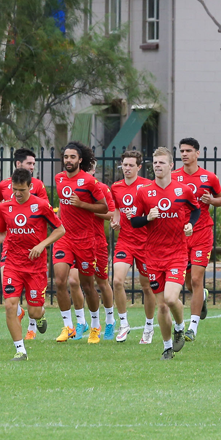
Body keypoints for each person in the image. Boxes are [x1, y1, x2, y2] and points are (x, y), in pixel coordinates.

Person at [0, 168, 65, 360]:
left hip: (35, 267)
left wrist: (42, 244)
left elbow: (60, 229)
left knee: (34, 311)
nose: (18, 193)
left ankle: (40, 314)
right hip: (13, 264)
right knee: (10, 305)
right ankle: (20, 350)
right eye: (15, 189)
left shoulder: (41, 206)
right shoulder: (5, 207)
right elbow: (2, 231)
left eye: (22, 190)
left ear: (30, 186)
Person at [130, 147, 200, 359]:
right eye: (155, 162)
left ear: (171, 165)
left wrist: (190, 224)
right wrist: (148, 218)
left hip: (177, 253)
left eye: (161, 162)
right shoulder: (144, 192)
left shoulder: (183, 190)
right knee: (161, 306)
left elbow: (196, 209)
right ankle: (168, 347)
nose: (157, 166)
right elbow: (134, 221)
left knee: (170, 298)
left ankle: (179, 325)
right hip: (153, 256)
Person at [52, 142, 108, 343]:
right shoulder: (59, 178)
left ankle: (95, 326)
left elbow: (104, 207)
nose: (68, 160)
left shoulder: (89, 181)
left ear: (80, 160)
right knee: (60, 281)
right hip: (64, 238)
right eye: (66, 157)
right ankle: (68, 326)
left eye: (72, 157)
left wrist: (82, 204)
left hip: (85, 240)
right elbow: (63, 203)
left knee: (87, 285)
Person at [172, 138, 221, 339]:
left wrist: (212, 200)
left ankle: (192, 328)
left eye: (188, 151)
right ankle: (202, 296)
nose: (184, 154)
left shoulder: (209, 177)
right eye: (182, 151)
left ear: (197, 153)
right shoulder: (174, 176)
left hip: (202, 233)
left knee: (196, 278)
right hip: (180, 235)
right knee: (188, 283)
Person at [0, 149, 47, 336]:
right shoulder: (3, 185)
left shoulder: (38, 185)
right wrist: (4, 223)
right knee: (6, 284)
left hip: (32, 247)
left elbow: (45, 213)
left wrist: (40, 241)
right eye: (29, 163)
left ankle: (35, 317)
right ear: (18, 164)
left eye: (34, 164)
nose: (32, 167)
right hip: (11, 244)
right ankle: (17, 312)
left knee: (34, 307)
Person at [66, 160, 116, 343]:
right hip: (76, 241)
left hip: (97, 242)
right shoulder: (70, 187)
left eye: (89, 169)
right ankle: (81, 322)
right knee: (73, 281)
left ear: (93, 170)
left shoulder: (101, 188)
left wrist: (85, 208)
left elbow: (111, 213)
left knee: (102, 282)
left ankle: (110, 320)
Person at [109, 151, 156, 343]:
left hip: (145, 243)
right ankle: (124, 324)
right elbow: (117, 208)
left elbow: (154, 212)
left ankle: (149, 327)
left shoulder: (148, 186)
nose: (127, 168)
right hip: (125, 241)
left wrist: (141, 217)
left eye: (131, 165)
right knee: (117, 281)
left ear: (139, 167)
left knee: (147, 287)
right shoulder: (116, 187)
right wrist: (116, 221)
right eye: (124, 165)